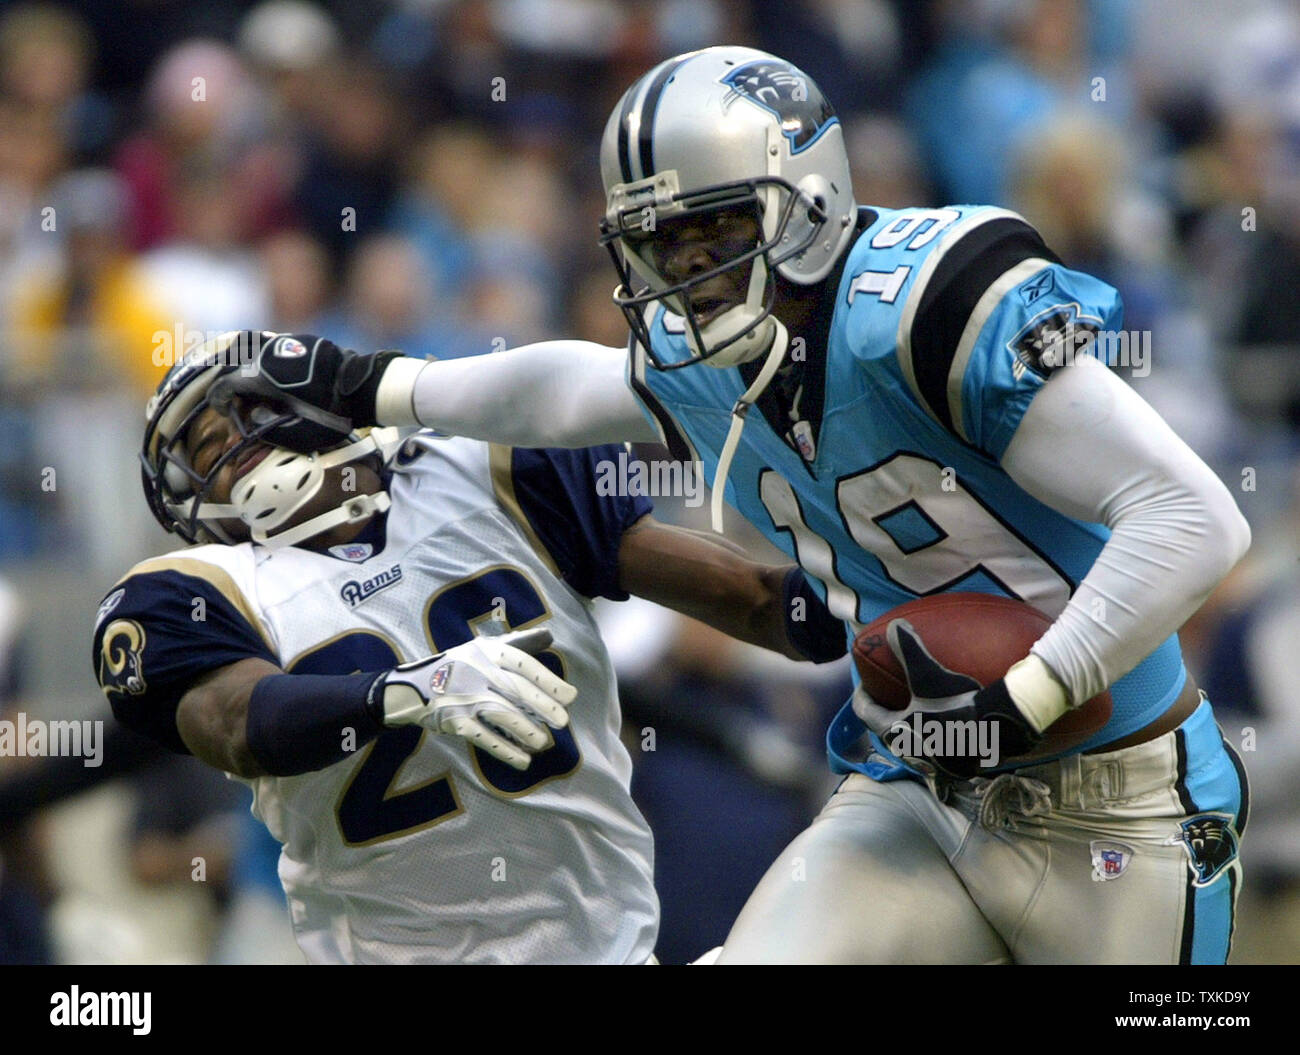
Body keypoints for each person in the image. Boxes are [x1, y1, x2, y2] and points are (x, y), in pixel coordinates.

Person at [219, 46, 1253, 964]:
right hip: (916, 784)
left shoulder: (927, 310)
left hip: (1117, 804)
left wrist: (1020, 698)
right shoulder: (717, 346)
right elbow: (571, 388)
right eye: (655, 246)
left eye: (707, 235)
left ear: (806, 199)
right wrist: (372, 383)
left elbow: (1195, 518)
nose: (682, 278)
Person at [91, 329, 844, 965]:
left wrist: (872, 607)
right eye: (199, 459)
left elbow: (750, 599)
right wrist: (410, 691)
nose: (219, 467)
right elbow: (236, 722)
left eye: (224, 433)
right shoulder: (203, 587)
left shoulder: (488, 468)